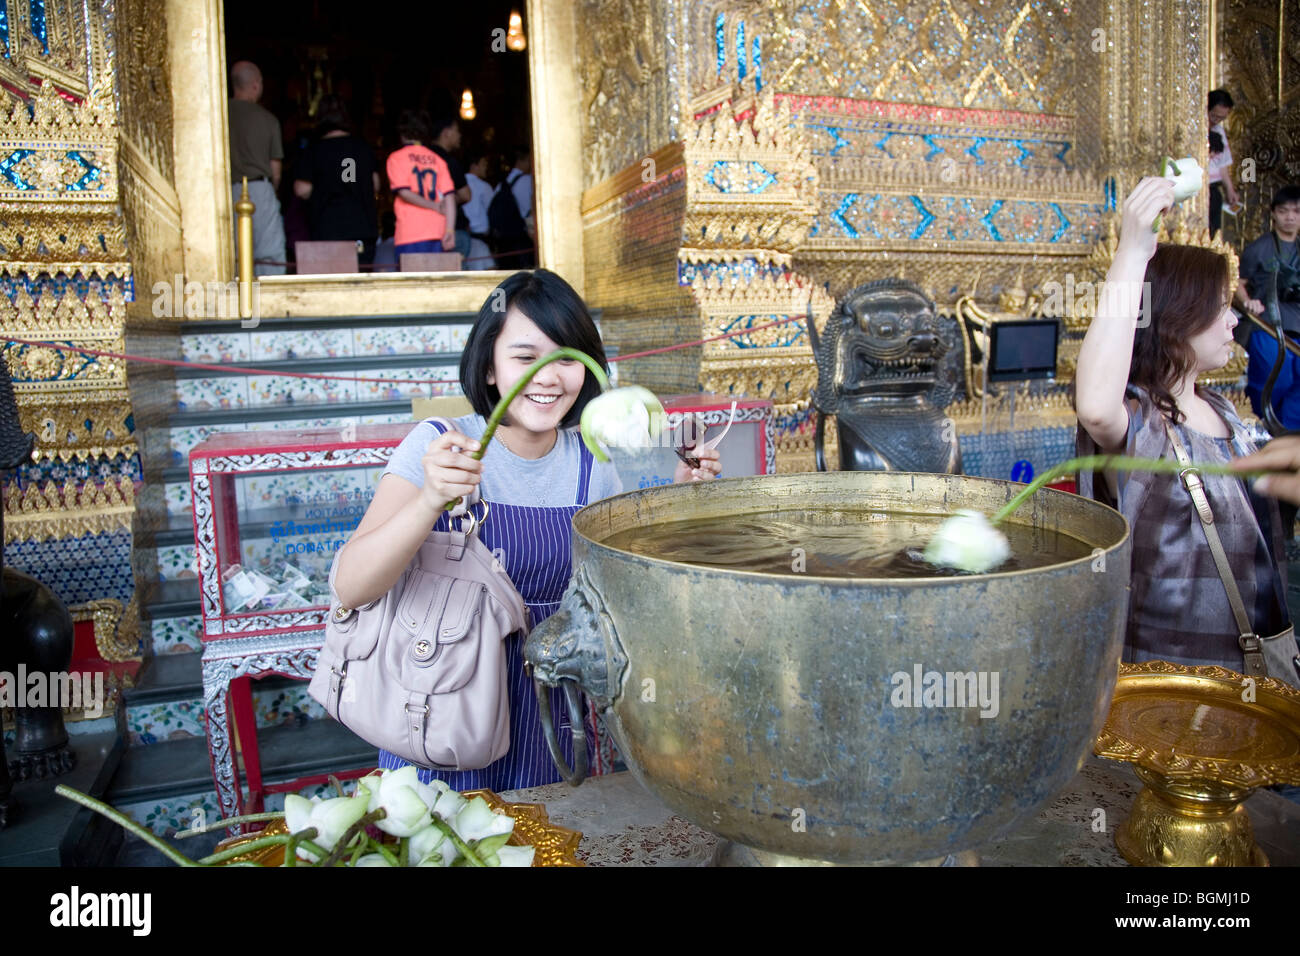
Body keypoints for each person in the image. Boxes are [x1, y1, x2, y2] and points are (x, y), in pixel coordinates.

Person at [332, 270, 720, 790]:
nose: (548, 377)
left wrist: (682, 498)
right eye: (524, 357)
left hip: (557, 712)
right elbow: (351, 586)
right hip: (446, 708)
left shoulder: (591, 460)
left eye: (566, 357)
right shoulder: (439, 445)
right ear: (489, 366)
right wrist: (429, 500)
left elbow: (622, 589)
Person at [1075, 176, 1292, 674]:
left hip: (1256, 666)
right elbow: (1095, 407)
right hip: (1171, 678)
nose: (1233, 321)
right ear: (1176, 317)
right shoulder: (1143, 422)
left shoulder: (1229, 414)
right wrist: (1131, 253)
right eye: (1220, 307)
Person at [292, 96, 380, 266]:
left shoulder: (314, 150)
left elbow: (301, 189)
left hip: (328, 229)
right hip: (362, 229)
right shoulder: (362, 147)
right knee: (360, 284)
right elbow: (375, 184)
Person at [1241, 186, 1300, 429]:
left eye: (1296, 211)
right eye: (1283, 211)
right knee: (1276, 381)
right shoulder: (1259, 247)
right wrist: (1247, 300)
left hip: (1297, 325)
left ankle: (1289, 434)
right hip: (1267, 326)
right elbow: (1237, 281)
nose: (1290, 217)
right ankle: (1265, 431)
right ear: (1273, 214)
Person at [228, 60, 287, 276]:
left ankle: (234, 306)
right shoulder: (268, 120)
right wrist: (273, 192)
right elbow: (276, 170)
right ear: (255, 85)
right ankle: (269, 307)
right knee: (268, 255)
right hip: (259, 190)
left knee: (232, 255)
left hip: (224, 192)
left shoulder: (218, 115)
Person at [385, 110, 456, 261]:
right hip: (438, 232)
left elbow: (404, 192)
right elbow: (450, 197)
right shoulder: (438, 160)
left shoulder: (396, 158)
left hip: (410, 233)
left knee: (413, 283)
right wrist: (450, 230)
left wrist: (433, 206)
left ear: (402, 133)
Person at [429, 115, 473, 263]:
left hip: (426, 231)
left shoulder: (423, 158)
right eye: (457, 130)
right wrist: (449, 200)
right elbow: (466, 195)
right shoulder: (448, 161)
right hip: (452, 230)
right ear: (446, 132)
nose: (459, 135)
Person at [1207, 90, 1240, 238]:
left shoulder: (1219, 131)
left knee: (1213, 232)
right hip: (1195, 190)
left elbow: (1223, 165)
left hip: (1214, 189)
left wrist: (1230, 189)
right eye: (1214, 116)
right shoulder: (1192, 129)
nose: (1216, 121)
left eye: (1221, 118)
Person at [463, 152, 494, 271]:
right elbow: (491, 210)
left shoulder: (458, 184)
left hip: (462, 235)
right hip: (480, 237)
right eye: (483, 164)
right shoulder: (484, 186)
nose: (486, 168)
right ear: (474, 165)